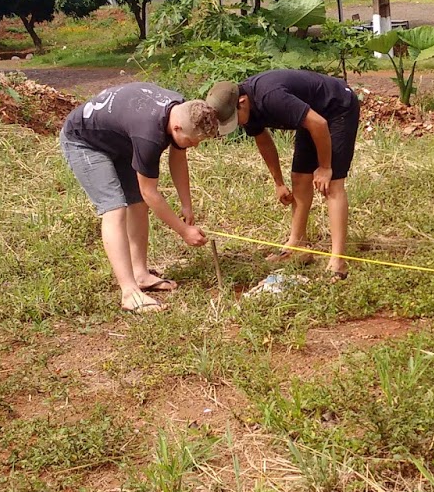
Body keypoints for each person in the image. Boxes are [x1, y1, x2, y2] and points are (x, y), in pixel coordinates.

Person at [59, 82, 220, 313]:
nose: (195, 145)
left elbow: (178, 155)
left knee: (138, 204)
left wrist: (186, 204)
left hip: (119, 139)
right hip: (84, 142)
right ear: (176, 128)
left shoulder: (182, 109)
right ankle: (129, 293)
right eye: (193, 140)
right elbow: (151, 192)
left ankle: (141, 274)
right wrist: (183, 231)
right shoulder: (149, 134)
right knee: (115, 209)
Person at [206, 69, 361, 280]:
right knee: (299, 177)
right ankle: (298, 246)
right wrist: (278, 182)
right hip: (312, 116)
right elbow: (264, 141)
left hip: (337, 107)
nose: (239, 123)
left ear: (242, 101)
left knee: (332, 184)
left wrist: (325, 167)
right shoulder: (245, 108)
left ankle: (338, 261)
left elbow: (320, 123)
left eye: (235, 118)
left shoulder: (271, 97)